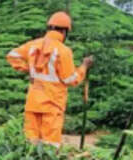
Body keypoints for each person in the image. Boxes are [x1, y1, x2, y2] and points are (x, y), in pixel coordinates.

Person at [6, 12, 93, 147]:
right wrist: (84, 67)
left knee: (30, 144)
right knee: (50, 147)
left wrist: (27, 69)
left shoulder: (33, 44)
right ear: (64, 32)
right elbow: (70, 80)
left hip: (33, 103)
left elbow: (11, 55)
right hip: (52, 105)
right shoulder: (64, 51)